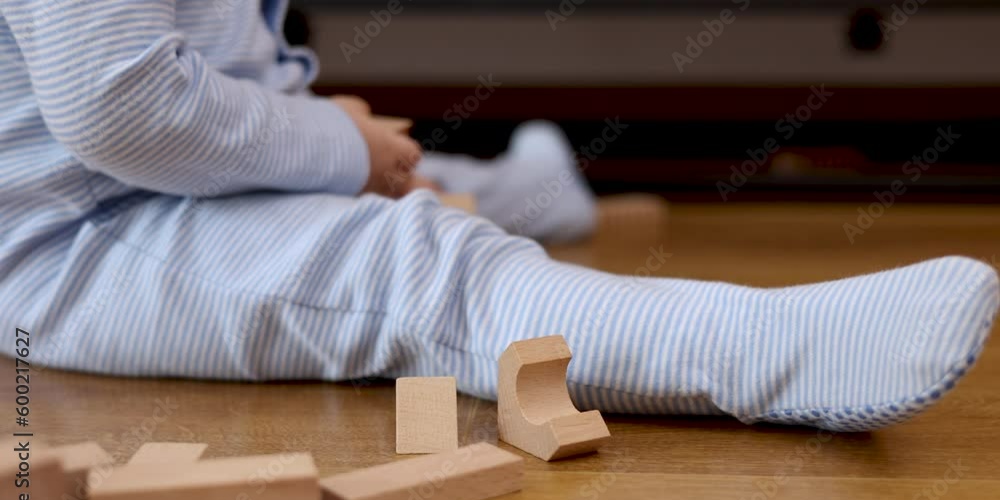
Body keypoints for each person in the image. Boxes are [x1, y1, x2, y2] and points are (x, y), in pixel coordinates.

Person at [1, 0, 996, 432]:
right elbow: (122, 103)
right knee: (401, 252)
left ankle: (530, 185)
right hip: (73, 238)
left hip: (149, 175)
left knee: (404, 169)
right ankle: (751, 347)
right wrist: (334, 146)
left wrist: (318, 129)